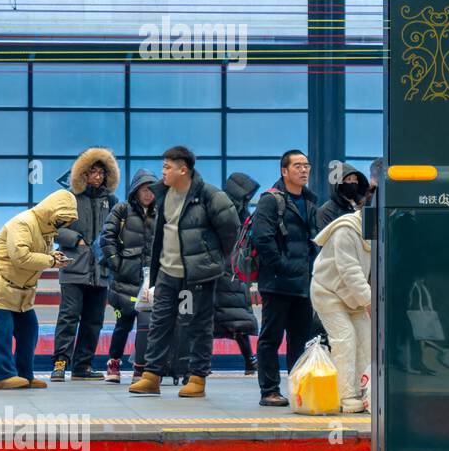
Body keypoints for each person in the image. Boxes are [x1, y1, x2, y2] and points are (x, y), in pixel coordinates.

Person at [129, 146, 240, 398]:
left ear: (184, 169)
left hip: (197, 273)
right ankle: (151, 375)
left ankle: (197, 377)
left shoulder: (210, 195)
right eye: (163, 167)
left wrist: (213, 258)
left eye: (168, 167)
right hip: (167, 271)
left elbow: (231, 229)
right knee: (160, 321)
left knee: (199, 325)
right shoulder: (162, 194)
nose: (163, 172)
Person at [0, 191, 77, 389]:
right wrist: (51, 260)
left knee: (29, 329)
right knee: (3, 330)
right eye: (61, 218)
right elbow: (21, 256)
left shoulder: (46, 229)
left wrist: (53, 255)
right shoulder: (24, 222)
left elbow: (36, 253)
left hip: (20, 290)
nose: (62, 223)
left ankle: (24, 374)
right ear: (51, 210)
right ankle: (3, 376)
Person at [251, 149, 320, 406]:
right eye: (298, 166)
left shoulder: (311, 200)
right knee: (271, 338)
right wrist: (281, 266)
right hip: (277, 283)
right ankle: (269, 390)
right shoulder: (271, 200)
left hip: (303, 283)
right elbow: (263, 239)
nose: (304, 170)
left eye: (306, 165)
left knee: (300, 340)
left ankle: (298, 390)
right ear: (284, 171)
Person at [51, 148, 120, 381]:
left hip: (100, 270)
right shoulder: (67, 198)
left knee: (94, 321)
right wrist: (75, 239)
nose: (98, 177)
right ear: (82, 173)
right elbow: (51, 229)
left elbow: (119, 232)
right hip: (72, 267)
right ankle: (60, 364)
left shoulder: (111, 201)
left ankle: (83, 366)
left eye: (101, 172)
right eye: (93, 172)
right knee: (68, 317)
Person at [310, 207, 372, 413]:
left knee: (366, 338)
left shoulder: (375, 229)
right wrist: (370, 300)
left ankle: (365, 390)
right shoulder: (346, 230)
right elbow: (350, 270)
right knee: (345, 339)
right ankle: (345, 396)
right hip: (328, 292)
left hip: (353, 297)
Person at [98, 169, 157, 383]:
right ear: (136, 190)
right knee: (123, 324)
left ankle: (140, 369)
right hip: (124, 281)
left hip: (150, 282)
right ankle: (113, 363)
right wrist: (117, 263)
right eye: (144, 189)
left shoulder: (161, 212)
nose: (148, 194)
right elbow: (106, 238)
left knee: (146, 325)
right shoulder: (121, 209)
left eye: (152, 190)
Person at [212, 173, 260, 375]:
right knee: (224, 318)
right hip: (225, 270)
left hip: (231, 271)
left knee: (231, 318)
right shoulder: (229, 211)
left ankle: (249, 360)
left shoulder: (236, 211)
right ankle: (249, 360)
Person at [315, 161, 369, 230]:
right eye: (349, 179)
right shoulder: (325, 212)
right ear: (339, 184)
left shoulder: (363, 205)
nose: (353, 182)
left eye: (355, 179)